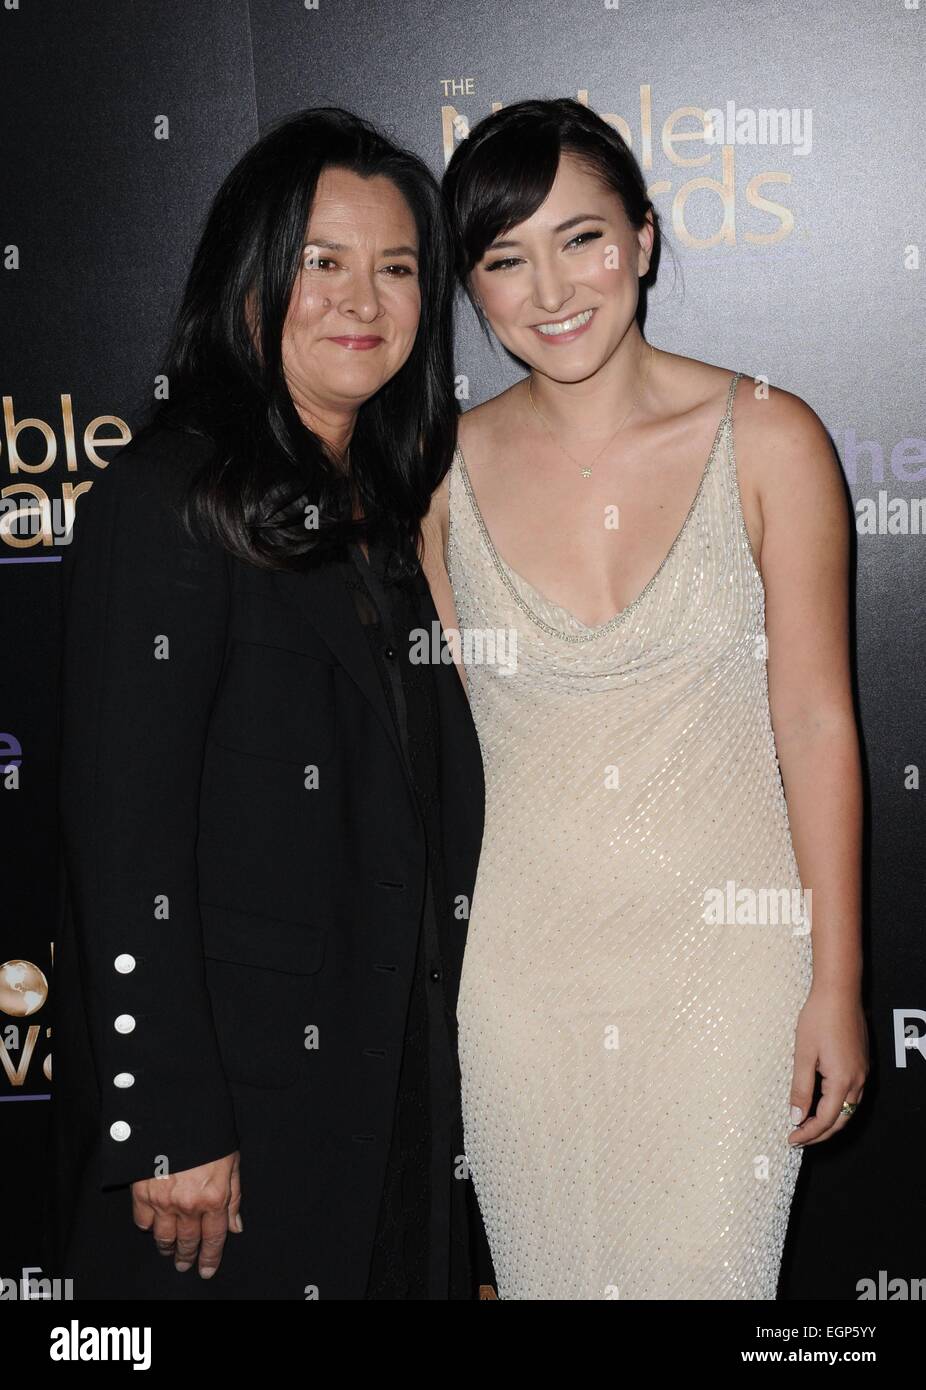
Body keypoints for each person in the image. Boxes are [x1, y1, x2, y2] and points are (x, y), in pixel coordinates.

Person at [421, 97, 869, 1299]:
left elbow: (817, 723)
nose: (550, 288)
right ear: (471, 287)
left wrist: (833, 979)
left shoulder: (767, 437)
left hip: (723, 974)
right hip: (520, 981)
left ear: (646, 240)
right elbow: (451, 746)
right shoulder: (436, 477)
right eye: (504, 258)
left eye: (581, 238)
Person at [46, 106, 491, 1300]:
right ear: (250, 276)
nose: (363, 299)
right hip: (229, 1114)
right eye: (322, 261)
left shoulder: (385, 510)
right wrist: (165, 1115)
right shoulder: (167, 495)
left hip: (381, 1073)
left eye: (396, 269)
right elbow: (119, 833)